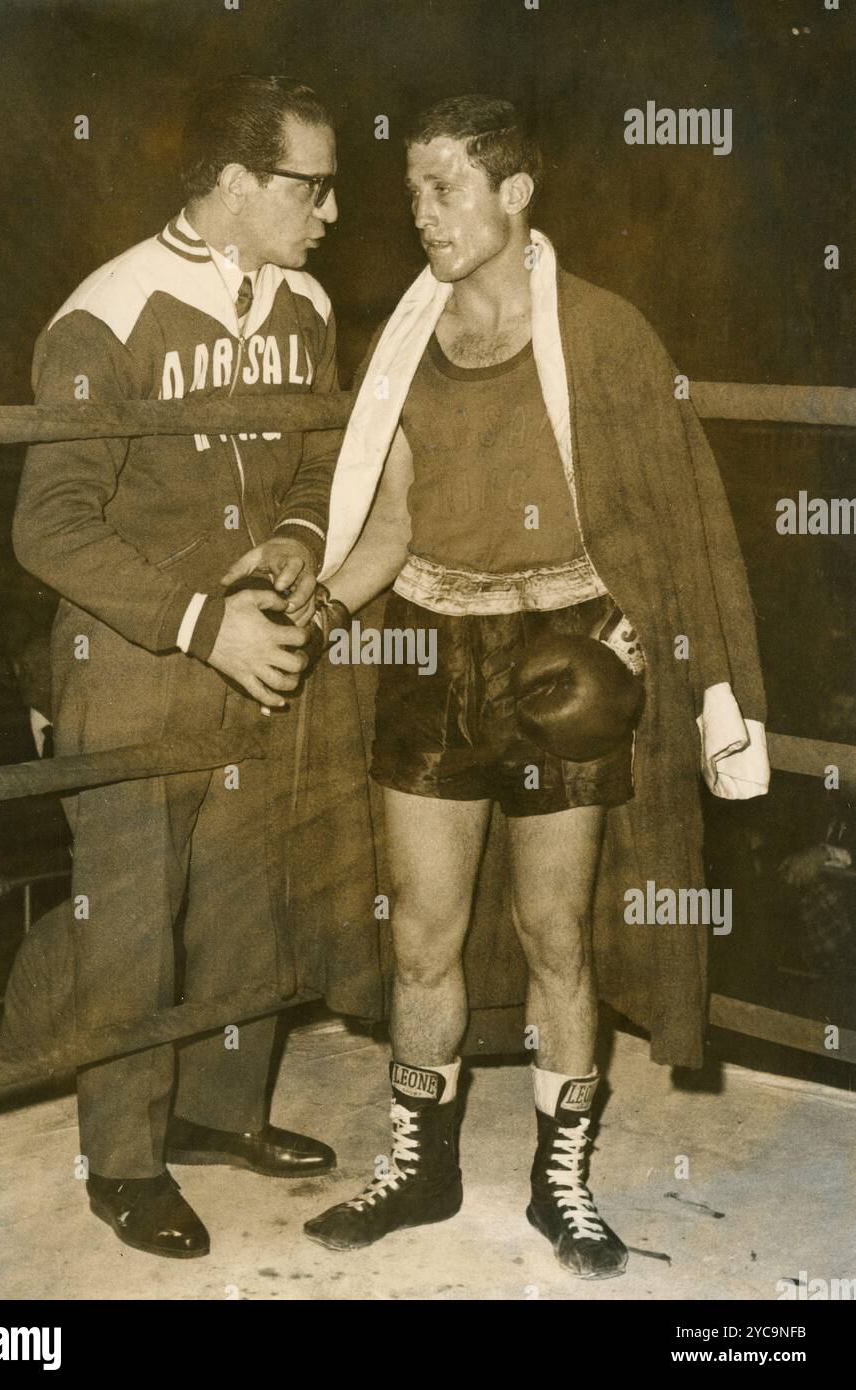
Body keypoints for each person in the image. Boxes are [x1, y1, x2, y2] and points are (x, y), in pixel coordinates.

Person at [303, 95, 769, 1278]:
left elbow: (668, 515)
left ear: (514, 194)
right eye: (410, 190)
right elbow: (388, 523)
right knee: (420, 933)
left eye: (443, 188)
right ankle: (420, 1165)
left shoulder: (606, 335)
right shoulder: (405, 338)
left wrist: (644, 638)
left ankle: (560, 1183)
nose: (421, 215)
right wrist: (321, 603)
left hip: (559, 653)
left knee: (557, 932)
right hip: (427, 650)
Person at [12, 74, 379, 1260]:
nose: (329, 209)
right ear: (235, 184)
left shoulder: (307, 306)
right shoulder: (108, 312)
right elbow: (49, 525)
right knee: (129, 911)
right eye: (308, 186)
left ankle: (221, 1115)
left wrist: (298, 540)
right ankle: (122, 1160)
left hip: (251, 638)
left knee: (242, 884)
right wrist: (198, 619)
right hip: (131, 650)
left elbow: (325, 465)